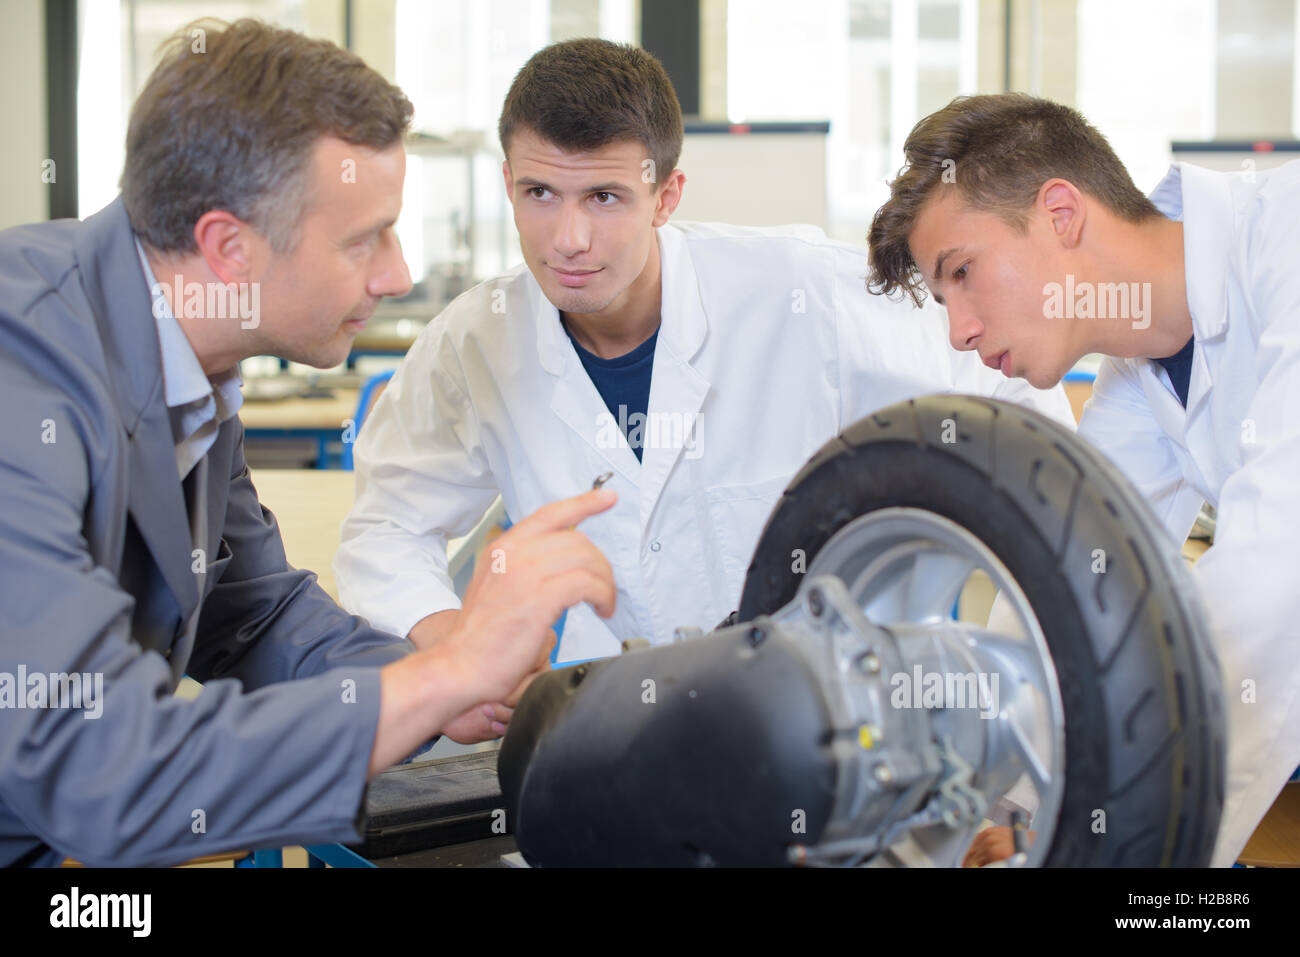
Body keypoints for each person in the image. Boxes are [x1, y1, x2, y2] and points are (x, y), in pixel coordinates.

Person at [0, 19, 615, 867]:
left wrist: (441, 688)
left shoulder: (190, 349)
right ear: (228, 246)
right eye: (366, 237)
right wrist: (442, 673)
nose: (397, 274)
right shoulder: (22, 375)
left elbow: (254, 617)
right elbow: (102, 765)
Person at [334, 39, 1075, 664]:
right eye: (539, 194)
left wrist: (979, 653)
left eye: (604, 197)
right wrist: (452, 649)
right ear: (507, 183)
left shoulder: (803, 292)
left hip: (829, 723)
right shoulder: (477, 340)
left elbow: (1024, 417)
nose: (568, 240)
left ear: (667, 195)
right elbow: (387, 526)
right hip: (609, 726)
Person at [865, 91, 1300, 867]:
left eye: (962, 273)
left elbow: (1275, 582)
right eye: (942, 298)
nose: (959, 330)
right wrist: (1005, 801)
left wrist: (1101, 842)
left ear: (1061, 212)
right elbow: (1062, 584)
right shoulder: (1138, 377)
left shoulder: (1288, 236)